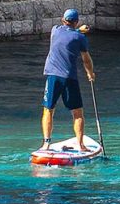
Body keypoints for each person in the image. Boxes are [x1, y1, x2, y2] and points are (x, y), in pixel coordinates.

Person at [40, 8, 95, 151]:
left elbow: (67, 34)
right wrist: (90, 74)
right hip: (70, 78)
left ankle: (46, 143)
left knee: (48, 110)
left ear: (63, 20)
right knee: (77, 113)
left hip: (53, 76)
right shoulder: (80, 38)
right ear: (76, 22)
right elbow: (86, 60)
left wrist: (78, 31)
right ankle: (81, 145)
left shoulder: (55, 30)